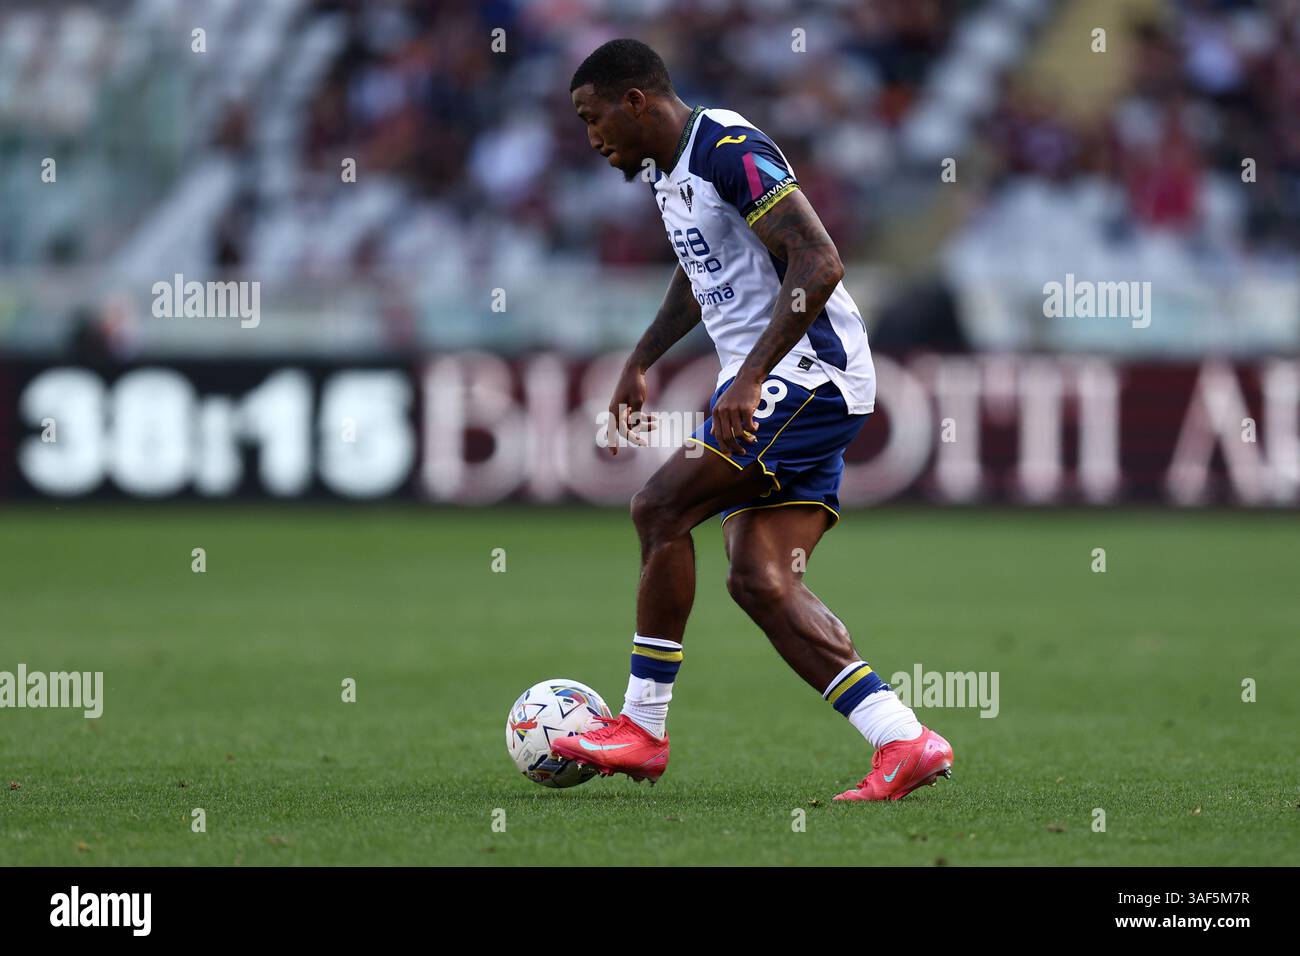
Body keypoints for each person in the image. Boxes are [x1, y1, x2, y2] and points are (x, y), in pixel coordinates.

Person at [552, 39, 953, 801]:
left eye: (592, 116)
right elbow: (700, 266)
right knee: (761, 581)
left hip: (812, 375)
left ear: (635, 100)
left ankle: (642, 727)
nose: (591, 135)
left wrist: (752, 373)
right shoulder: (668, 175)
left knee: (659, 506)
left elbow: (819, 259)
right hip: (780, 381)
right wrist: (641, 358)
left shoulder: (727, 147)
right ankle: (904, 740)